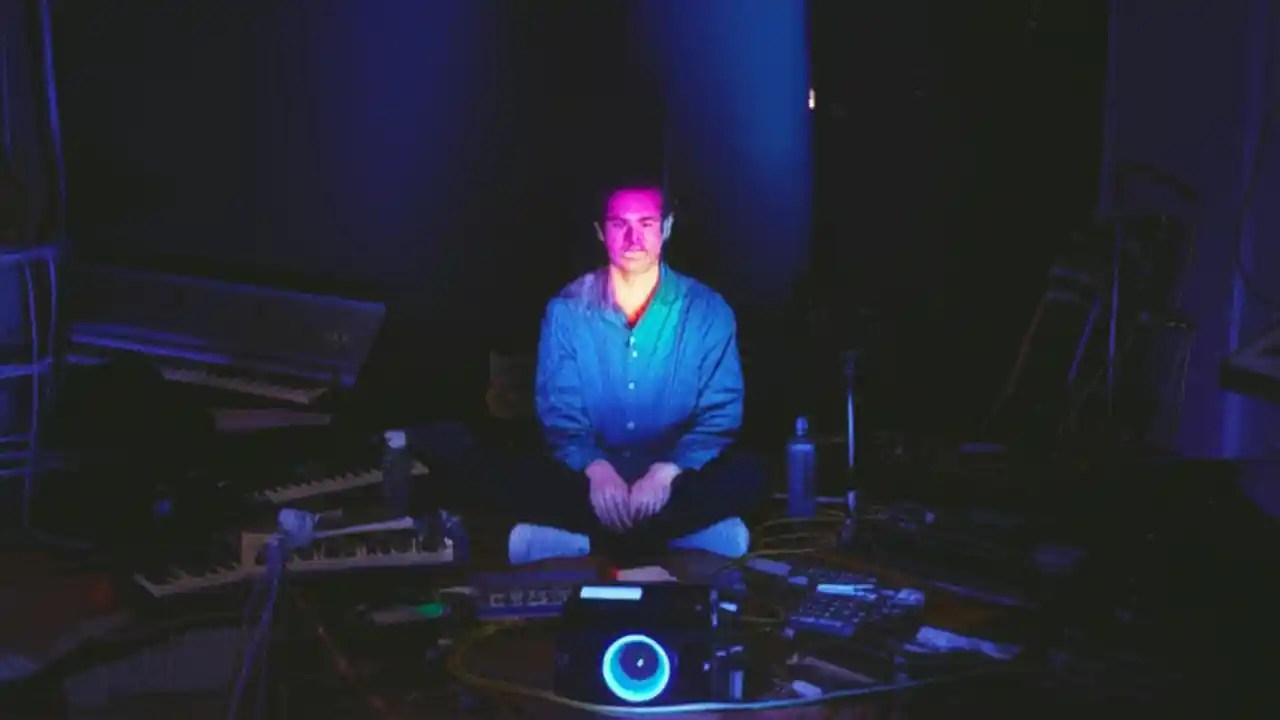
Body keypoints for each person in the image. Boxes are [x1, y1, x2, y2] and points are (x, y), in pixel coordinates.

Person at [407, 182, 764, 565]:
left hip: (676, 479)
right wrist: (596, 469)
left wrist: (666, 472)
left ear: (667, 228)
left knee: (750, 474)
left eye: (646, 223)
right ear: (600, 232)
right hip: (590, 480)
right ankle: (681, 538)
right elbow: (561, 415)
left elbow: (720, 415)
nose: (633, 237)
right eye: (619, 224)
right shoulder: (567, 310)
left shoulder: (708, 310)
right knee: (493, 473)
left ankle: (585, 541)